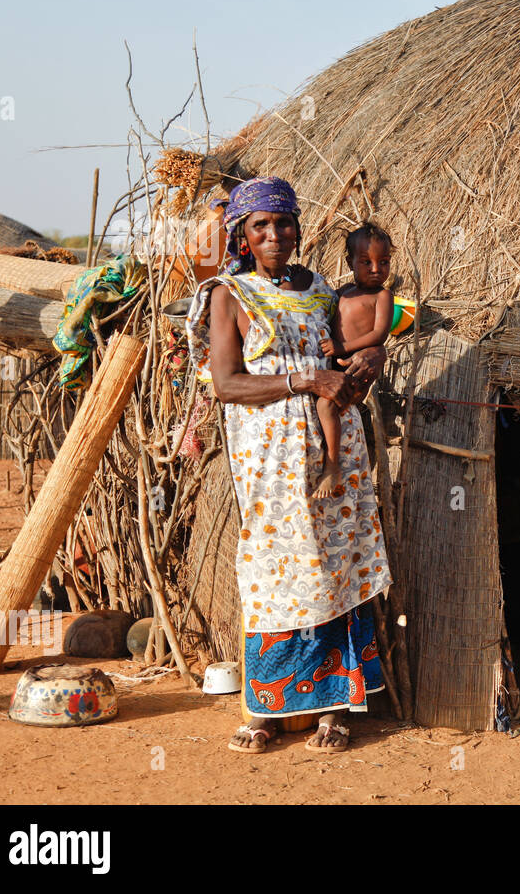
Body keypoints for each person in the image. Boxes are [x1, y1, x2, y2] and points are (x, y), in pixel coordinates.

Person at [184, 176, 393, 754]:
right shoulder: (229, 294)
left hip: (335, 447)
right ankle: (265, 705)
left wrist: (368, 357)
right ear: (244, 237)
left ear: (298, 228)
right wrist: (303, 378)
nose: (274, 235)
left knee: (335, 563)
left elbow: (349, 348)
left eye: (284, 224)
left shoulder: (323, 290)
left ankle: (335, 705)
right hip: (268, 454)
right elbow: (226, 383)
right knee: (275, 566)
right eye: (260, 227)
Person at [315, 223, 396, 497]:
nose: (377, 269)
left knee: (326, 407)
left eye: (383, 262)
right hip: (334, 370)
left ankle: (332, 464)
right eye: (366, 262)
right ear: (350, 262)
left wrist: (342, 346)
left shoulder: (382, 296)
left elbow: (379, 334)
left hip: (355, 373)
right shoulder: (341, 293)